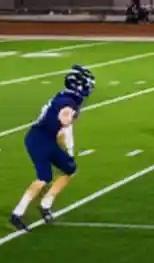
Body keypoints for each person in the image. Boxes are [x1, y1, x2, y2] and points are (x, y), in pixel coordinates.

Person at [10, 68, 94, 231]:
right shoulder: (69, 104)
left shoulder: (68, 97)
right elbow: (63, 129)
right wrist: (68, 148)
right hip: (39, 139)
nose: (89, 88)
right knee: (44, 178)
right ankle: (17, 213)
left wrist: (68, 151)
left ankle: (45, 204)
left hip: (45, 137)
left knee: (70, 169)